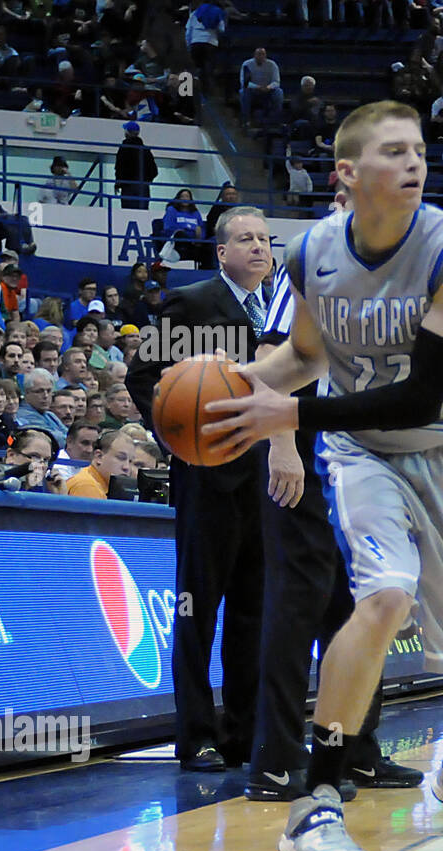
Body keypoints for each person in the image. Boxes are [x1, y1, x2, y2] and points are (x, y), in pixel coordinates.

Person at [196, 101, 443, 851]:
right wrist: (229, 388)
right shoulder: (311, 253)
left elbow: (421, 395)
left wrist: (289, 411)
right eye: (394, 150)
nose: (415, 162)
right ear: (347, 174)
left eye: (419, 149)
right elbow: (301, 356)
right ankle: (317, 801)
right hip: (365, 455)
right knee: (386, 594)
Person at [126, 206, 271, 773]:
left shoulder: (281, 308)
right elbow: (145, 379)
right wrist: (181, 442)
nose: (258, 246)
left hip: (264, 482)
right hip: (207, 481)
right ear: (222, 252)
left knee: (252, 615)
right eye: (245, 239)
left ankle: (244, 734)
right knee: (197, 611)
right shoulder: (195, 303)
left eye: (264, 237)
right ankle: (197, 737)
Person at [64, 429, 135, 499]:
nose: (127, 467)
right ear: (99, 457)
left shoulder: (106, 487)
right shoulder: (87, 486)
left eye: (130, 461)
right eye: (121, 457)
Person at [114, 122, 157, 210]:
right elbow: (154, 170)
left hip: (128, 187)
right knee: (142, 214)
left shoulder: (124, 148)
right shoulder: (146, 150)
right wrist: (146, 181)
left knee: (127, 213)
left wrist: (118, 183)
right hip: (143, 187)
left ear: (127, 132)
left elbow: (120, 167)